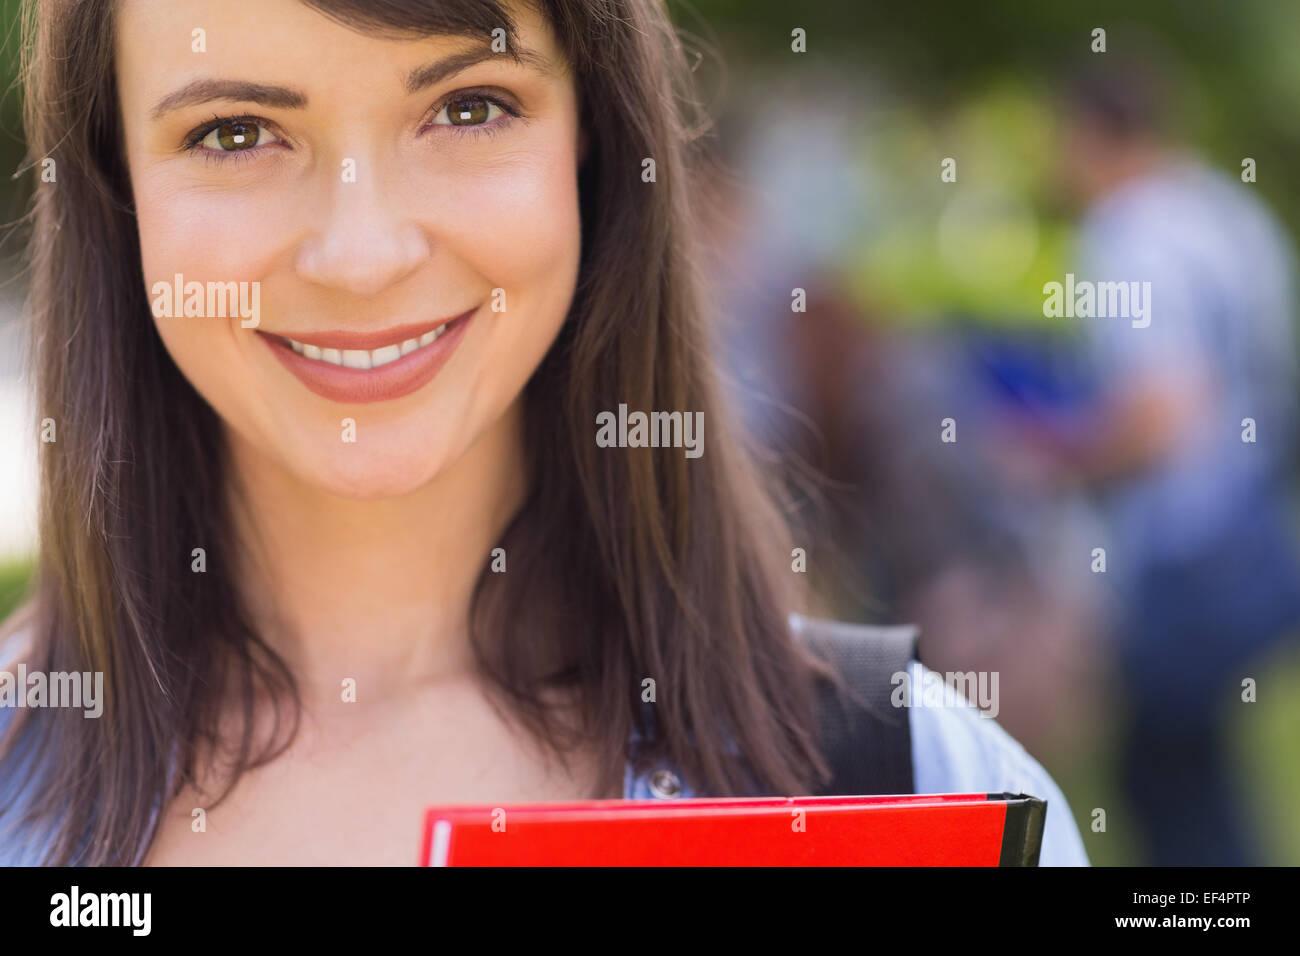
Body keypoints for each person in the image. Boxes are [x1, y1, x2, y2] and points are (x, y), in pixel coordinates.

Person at [0, 0, 1087, 866]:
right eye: (233, 132)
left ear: (594, 143)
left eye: (468, 106)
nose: (362, 252)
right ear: (116, 190)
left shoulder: (917, 785)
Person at [1038, 60, 1300, 864]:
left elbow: (1162, 416)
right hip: (1253, 528)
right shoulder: (1229, 212)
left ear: (1093, 134)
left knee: (1168, 782)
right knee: (1190, 767)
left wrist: (1054, 457)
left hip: (1185, 553)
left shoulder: (1132, 233)